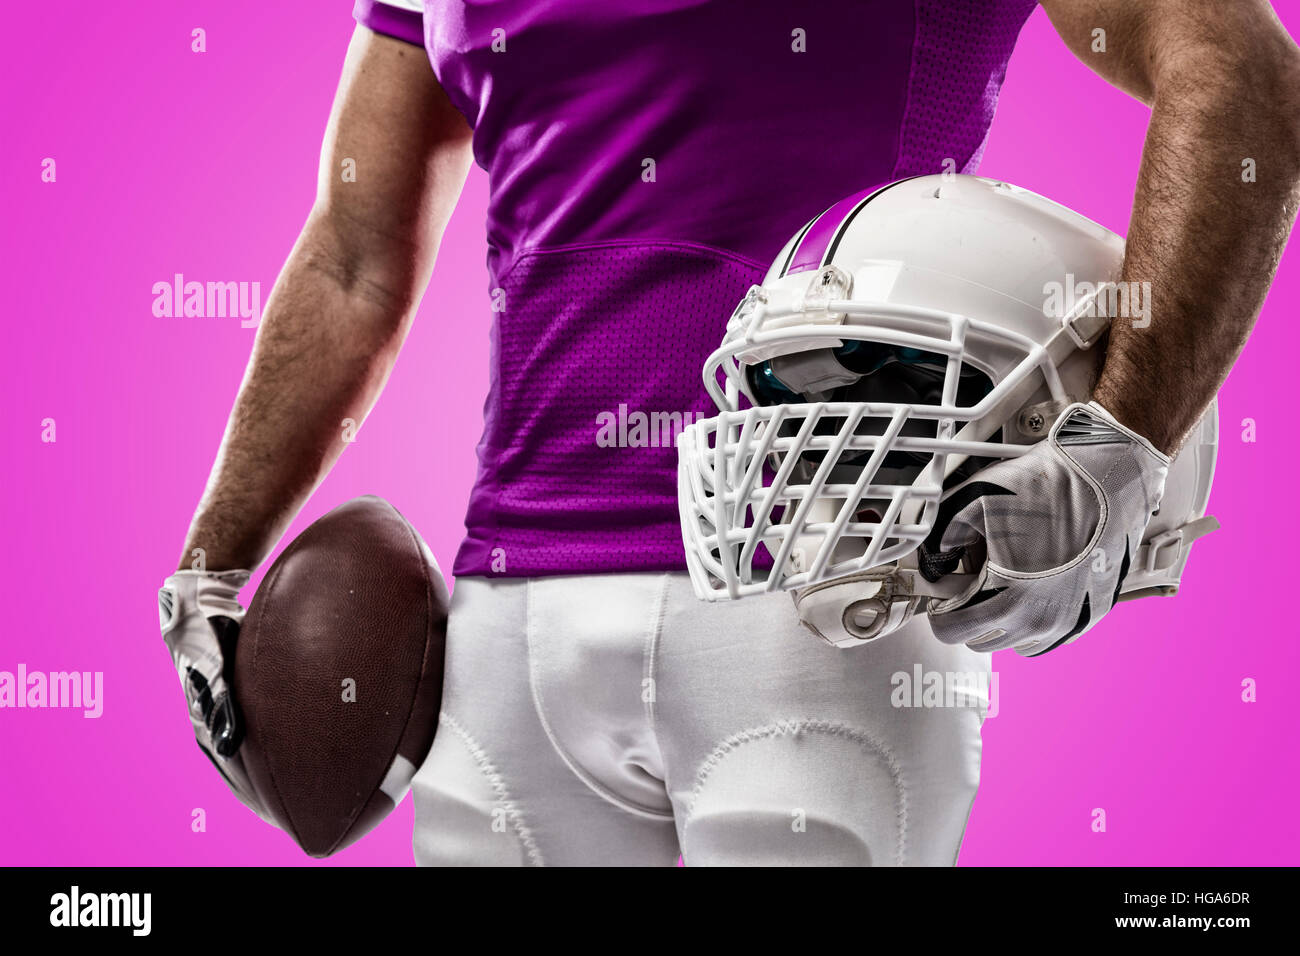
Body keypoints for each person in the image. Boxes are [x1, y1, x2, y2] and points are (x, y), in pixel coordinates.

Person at [159, 0, 1300, 865]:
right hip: (501, 631)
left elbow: (1240, 78)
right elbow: (354, 255)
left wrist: (1115, 448)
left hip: (824, 593)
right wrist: (209, 564)